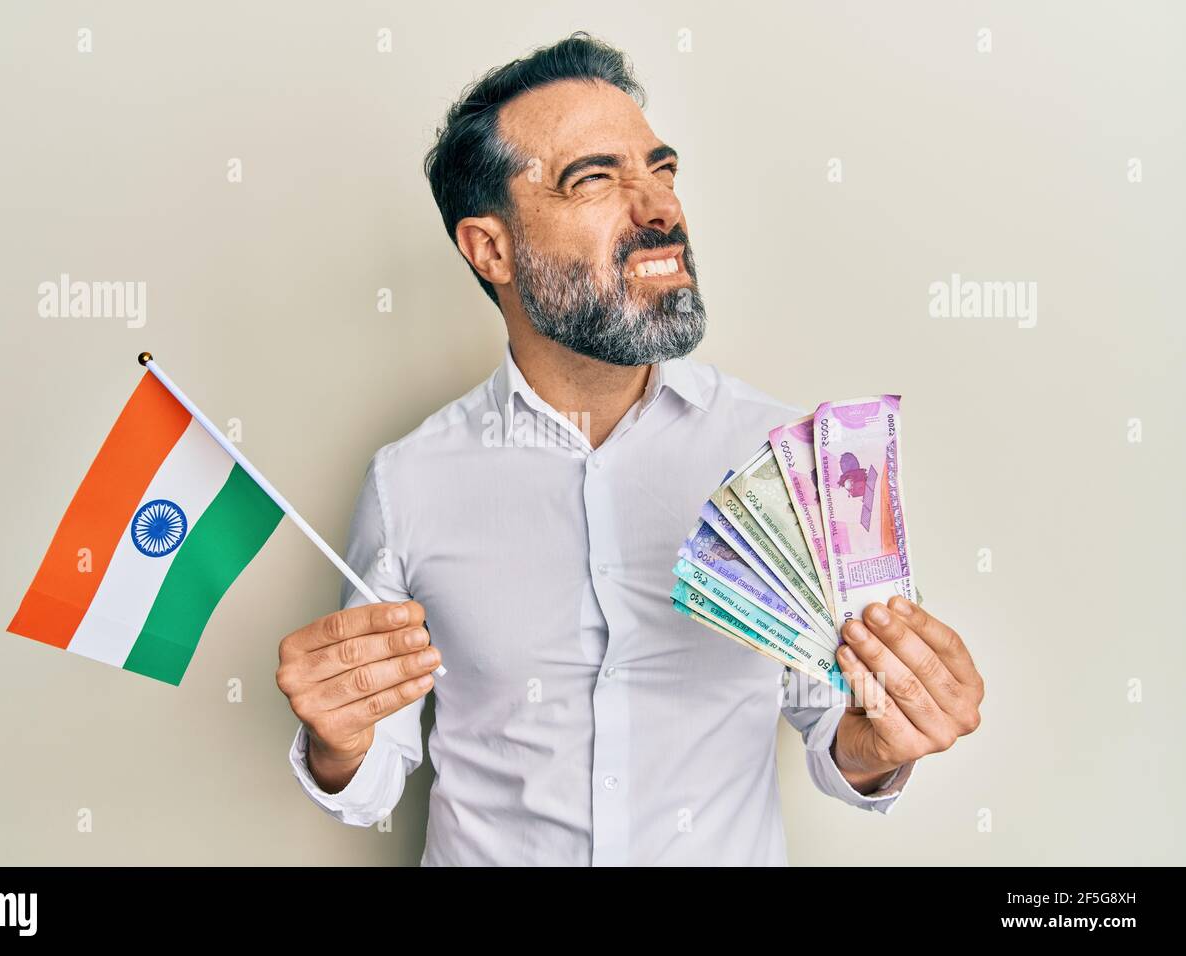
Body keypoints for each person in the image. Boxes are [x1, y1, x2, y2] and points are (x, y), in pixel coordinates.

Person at [275, 32, 983, 865]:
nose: (661, 210)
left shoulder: (780, 459)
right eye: (596, 179)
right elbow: (373, 776)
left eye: (663, 171)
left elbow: (837, 730)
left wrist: (886, 736)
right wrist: (338, 737)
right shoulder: (408, 482)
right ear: (490, 248)